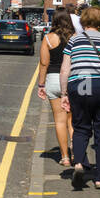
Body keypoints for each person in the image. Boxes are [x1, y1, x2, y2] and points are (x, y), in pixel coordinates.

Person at [58, 6, 100, 190]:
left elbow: (65, 68)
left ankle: (79, 163)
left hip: (80, 83)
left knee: (80, 127)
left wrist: (64, 93)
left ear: (83, 21)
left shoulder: (74, 41)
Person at [37, 11, 76, 168]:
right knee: (72, 120)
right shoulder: (75, 38)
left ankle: (65, 157)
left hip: (53, 79)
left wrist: (41, 85)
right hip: (72, 79)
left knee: (59, 121)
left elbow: (44, 63)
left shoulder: (48, 38)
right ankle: (77, 154)